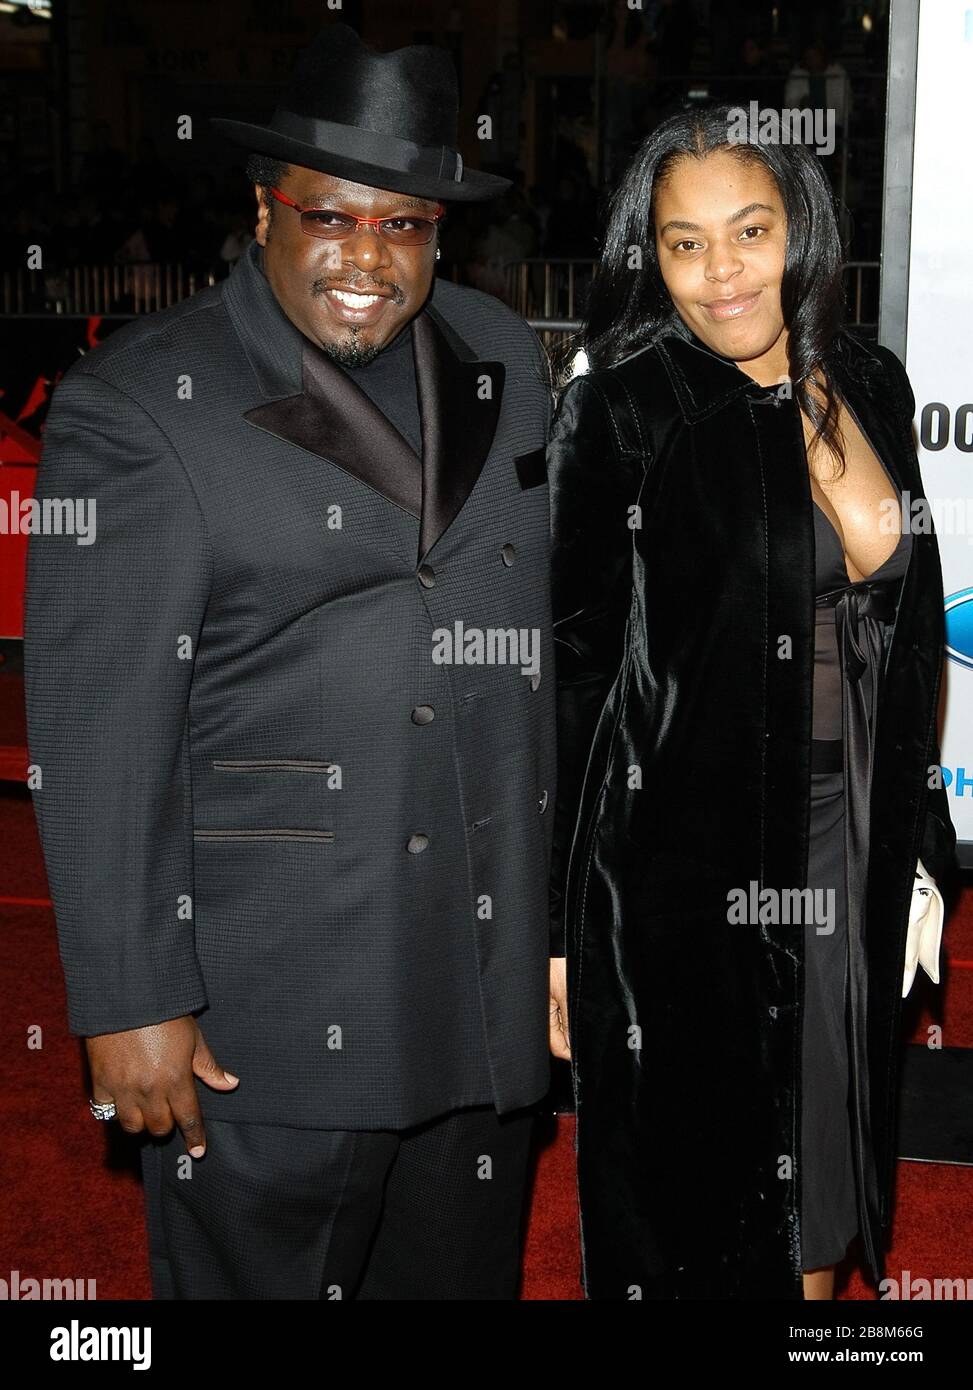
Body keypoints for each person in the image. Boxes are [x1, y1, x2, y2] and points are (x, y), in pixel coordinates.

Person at [24, 23, 555, 1301]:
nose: (368, 257)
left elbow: (546, 662)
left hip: (481, 992)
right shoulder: (142, 404)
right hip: (271, 1007)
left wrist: (556, 933)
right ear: (264, 207)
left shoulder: (511, 359)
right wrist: (126, 997)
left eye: (407, 225)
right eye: (332, 216)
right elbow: (99, 732)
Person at [546, 104, 956, 1300]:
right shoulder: (624, 407)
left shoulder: (871, 380)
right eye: (682, 243)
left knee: (824, 1170)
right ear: (648, 257)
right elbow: (572, 675)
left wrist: (919, 838)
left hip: (844, 838)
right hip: (678, 874)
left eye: (750, 229)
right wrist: (558, 931)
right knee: (699, 1202)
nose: (719, 272)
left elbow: (913, 632)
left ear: (803, 232)